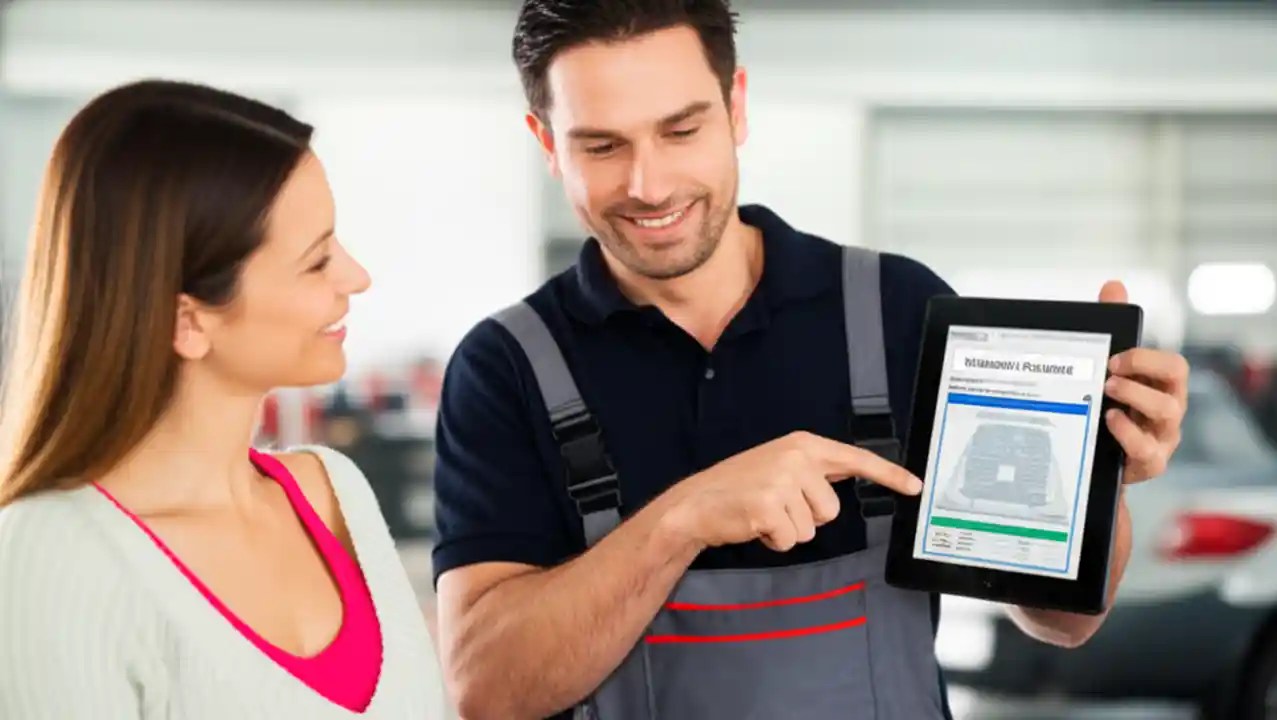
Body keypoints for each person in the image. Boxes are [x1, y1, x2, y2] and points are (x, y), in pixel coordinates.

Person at [431, 2, 1190, 719]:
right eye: (602, 145)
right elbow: (486, 690)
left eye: (681, 130)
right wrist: (681, 520)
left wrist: (1097, 477)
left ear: (737, 107)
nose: (648, 185)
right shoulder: (507, 368)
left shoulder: (898, 309)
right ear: (545, 142)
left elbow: (1060, 622)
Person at [0, 80, 436, 719]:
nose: (356, 277)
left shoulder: (335, 491)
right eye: (317, 262)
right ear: (189, 321)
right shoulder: (49, 554)